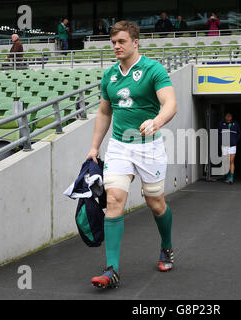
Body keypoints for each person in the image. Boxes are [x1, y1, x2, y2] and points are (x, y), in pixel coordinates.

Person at [86, 21, 177, 289]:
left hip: (149, 146)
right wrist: (94, 147)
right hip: (119, 145)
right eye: (113, 42)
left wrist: (157, 121)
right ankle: (111, 269)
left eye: (122, 41)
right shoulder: (109, 75)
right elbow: (104, 112)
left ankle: (167, 246)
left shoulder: (153, 69)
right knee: (114, 199)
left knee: (155, 202)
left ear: (136, 42)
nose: (116, 46)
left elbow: (170, 103)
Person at [218, 112, 241, 184]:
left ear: (231, 117)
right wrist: (221, 142)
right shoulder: (221, 124)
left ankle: (231, 178)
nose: (228, 117)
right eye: (227, 116)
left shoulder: (236, 124)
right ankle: (227, 176)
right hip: (224, 145)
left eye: (229, 116)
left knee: (231, 161)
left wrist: (235, 141)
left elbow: (239, 133)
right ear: (225, 117)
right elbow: (218, 134)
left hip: (232, 146)